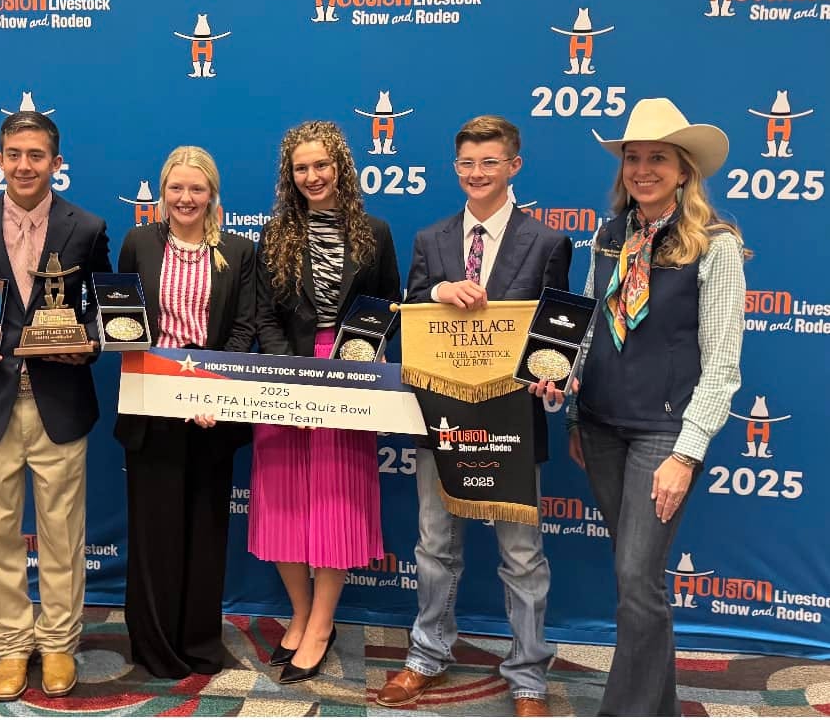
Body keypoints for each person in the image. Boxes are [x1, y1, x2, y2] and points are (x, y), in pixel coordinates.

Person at [547, 97, 746, 716]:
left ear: (684, 169)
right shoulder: (611, 237)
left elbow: (722, 366)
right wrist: (573, 407)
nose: (643, 170)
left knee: (636, 579)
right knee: (636, 583)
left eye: (658, 158)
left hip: (666, 434)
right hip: (603, 425)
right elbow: (587, 329)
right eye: (633, 158)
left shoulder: (715, 247)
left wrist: (687, 454)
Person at [377, 115, 571, 716]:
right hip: (443, 420)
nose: (477, 174)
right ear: (454, 167)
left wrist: (555, 378)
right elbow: (405, 310)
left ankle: (530, 678)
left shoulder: (546, 242)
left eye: (490, 162)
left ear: (515, 166)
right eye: (466, 163)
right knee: (435, 545)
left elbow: (555, 336)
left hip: (512, 420)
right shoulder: (431, 240)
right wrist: (436, 293)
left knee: (521, 554)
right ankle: (426, 656)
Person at [0, 111, 111, 701]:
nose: (23, 165)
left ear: (55, 163)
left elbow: (100, 306)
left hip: (59, 402)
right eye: (13, 154)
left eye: (36, 155)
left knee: (63, 532)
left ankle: (60, 641)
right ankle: (12, 645)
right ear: (0, 159)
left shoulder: (86, 226)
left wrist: (87, 343)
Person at [251, 120, 401, 684]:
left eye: (322, 165)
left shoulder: (375, 231)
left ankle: (321, 622)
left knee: (337, 495)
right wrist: (285, 372)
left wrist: (362, 358)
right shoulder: (274, 235)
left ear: (341, 167)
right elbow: (264, 314)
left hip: (350, 377)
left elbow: (389, 304)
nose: (313, 177)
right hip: (285, 373)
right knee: (283, 496)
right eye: (301, 168)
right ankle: (298, 610)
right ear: (290, 176)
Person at [115, 146, 256, 679]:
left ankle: (199, 643)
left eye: (197, 189)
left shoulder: (239, 252)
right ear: (163, 191)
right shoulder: (138, 244)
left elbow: (244, 327)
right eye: (176, 188)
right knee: (154, 534)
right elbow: (122, 322)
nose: (185, 198)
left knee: (204, 530)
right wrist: (168, 389)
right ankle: (152, 646)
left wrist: (211, 393)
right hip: (152, 412)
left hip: (212, 416)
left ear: (212, 194)